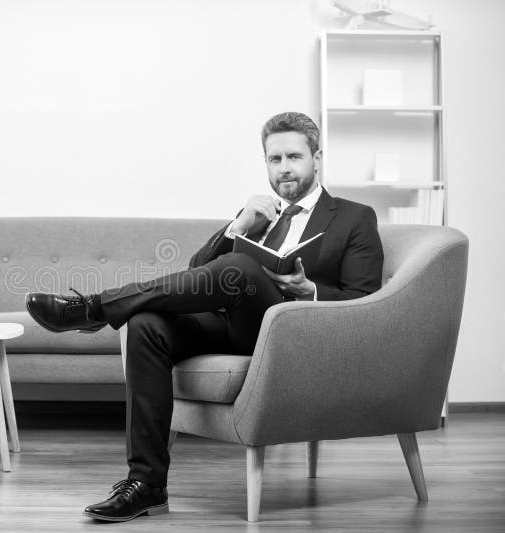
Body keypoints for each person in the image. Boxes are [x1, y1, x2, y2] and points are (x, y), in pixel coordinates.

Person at [25, 111, 384, 522]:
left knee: (243, 269)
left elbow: (365, 302)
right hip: (232, 324)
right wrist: (238, 226)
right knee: (146, 325)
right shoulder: (258, 212)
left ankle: (93, 308)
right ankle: (147, 484)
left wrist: (312, 291)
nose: (284, 168)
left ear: (316, 158)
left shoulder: (355, 217)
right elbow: (197, 271)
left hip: (293, 335)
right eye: (274, 159)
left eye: (294, 157)